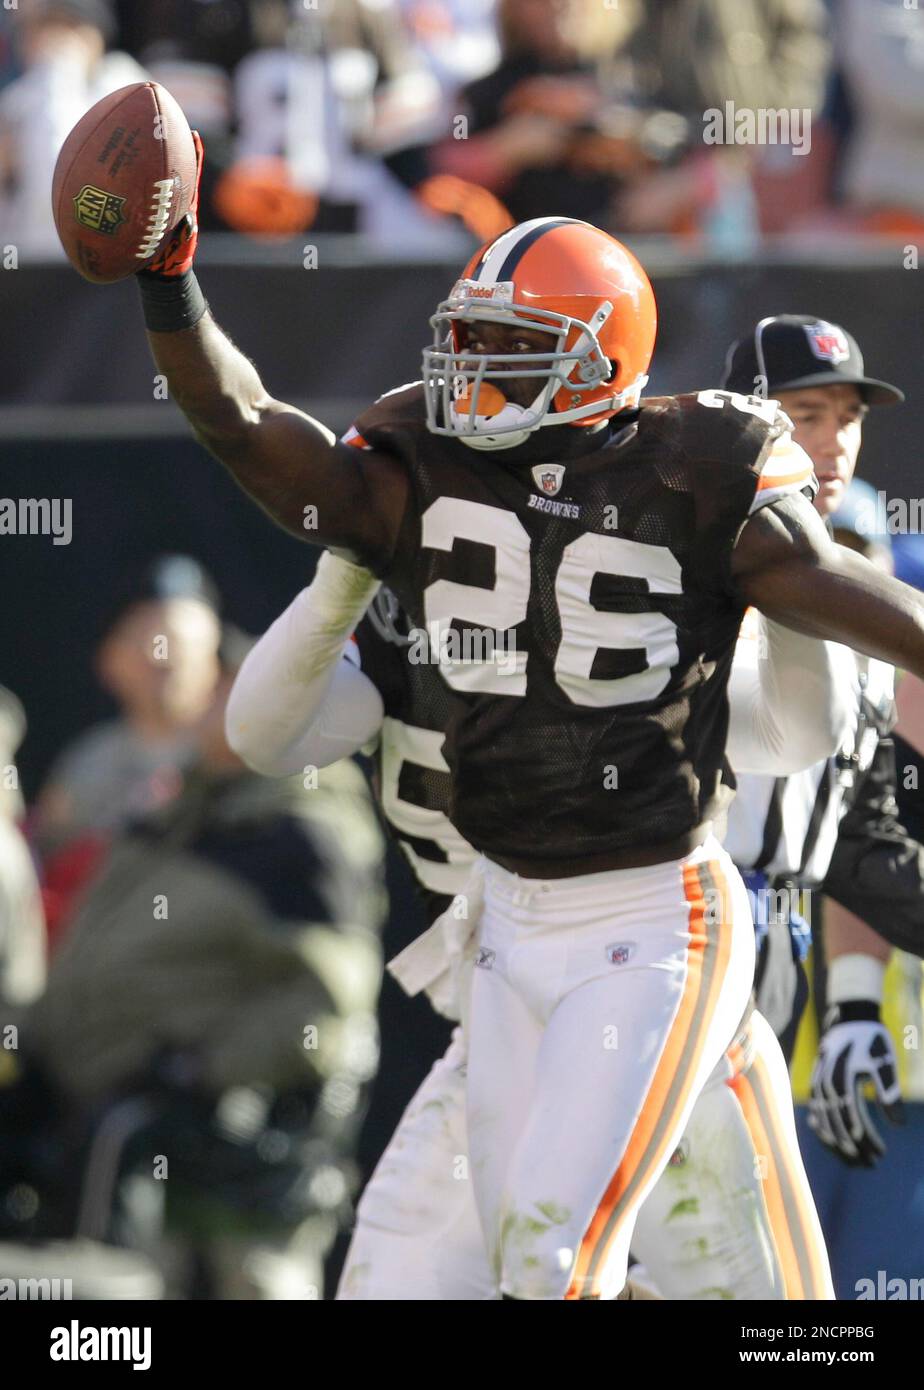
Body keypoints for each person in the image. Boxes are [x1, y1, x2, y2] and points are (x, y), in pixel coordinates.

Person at [124, 148, 924, 1295]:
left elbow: (871, 610)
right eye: (468, 339)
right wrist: (171, 283)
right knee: (527, 1265)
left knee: (552, 1254)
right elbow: (249, 426)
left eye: (510, 348)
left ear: (602, 361)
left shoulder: (694, 470)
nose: (472, 372)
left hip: (653, 918)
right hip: (502, 924)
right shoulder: (420, 461)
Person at [227, 547, 853, 1300]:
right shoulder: (413, 601)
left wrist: (786, 554)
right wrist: (347, 553)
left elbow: (791, 730)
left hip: (652, 1020)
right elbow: (266, 737)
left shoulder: (625, 572)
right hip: (499, 1025)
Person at [15, 633, 386, 1299]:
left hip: (243, 1173)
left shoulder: (299, 831)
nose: (205, 708)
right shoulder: (183, 810)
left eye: (227, 694)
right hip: (127, 1155)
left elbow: (327, 1009)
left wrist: (194, 1074)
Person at [720, 318, 924, 1167]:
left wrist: (850, 1007)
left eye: (848, 416)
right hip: (668, 920)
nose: (834, 442)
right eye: (807, 414)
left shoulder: (873, 561)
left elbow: (864, 819)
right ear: (750, 416)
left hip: (776, 939)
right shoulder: (690, 549)